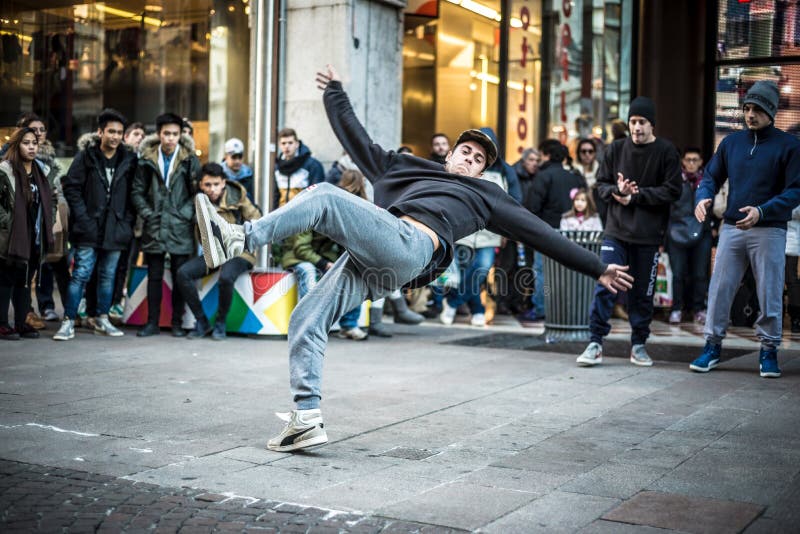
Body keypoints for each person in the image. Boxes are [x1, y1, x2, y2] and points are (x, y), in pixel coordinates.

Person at [193, 64, 632, 452]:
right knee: (307, 314)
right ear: (452, 151)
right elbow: (357, 138)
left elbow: (543, 234)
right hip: (378, 265)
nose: (470, 160)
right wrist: (335, 93)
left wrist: (597, 267)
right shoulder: (406, 167)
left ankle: (238, 236)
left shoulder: (488, 196)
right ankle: (306, 419)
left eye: (479, 159)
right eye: (467, 151)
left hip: (412, 246)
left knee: (324, 196)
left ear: (483, 170)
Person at [690, 80, 800, 378]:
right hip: (731, 229)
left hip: (770, 230)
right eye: (747, 108)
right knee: (720, 288)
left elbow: (795, 191)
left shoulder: (789, 146)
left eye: (757, 109)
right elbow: (710, 177)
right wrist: (703, 197)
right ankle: (712, 346)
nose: (750, 114)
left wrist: (762, 211)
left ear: (771, 111)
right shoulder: (730, 143)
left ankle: (768, 351)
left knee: (770, 291)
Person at [577, 96, 682, 368]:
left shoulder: (666, 151)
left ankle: (638, 344)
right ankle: (595, 342)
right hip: (616, 231)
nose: (636, 127)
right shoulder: (615, 149)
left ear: (652, 125)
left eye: (642, 122)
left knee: (642, 293)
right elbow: (600, 186)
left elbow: (673, 190)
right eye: (633, 122)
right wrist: (617, 192)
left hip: (648, 235)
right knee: (605, 285)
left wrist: (637, 197)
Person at [54, 109, 138, 341]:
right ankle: (68, 321)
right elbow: (71, 187)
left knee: (108, 276)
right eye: (111, 131)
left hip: (116, 228)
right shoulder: (86, 156)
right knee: (80, 274)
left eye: (120, 132)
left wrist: (126, 221)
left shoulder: (129, 159)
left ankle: (102, 318)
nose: (115, 136)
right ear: (100, 132)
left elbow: (134, 193)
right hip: (88, 228)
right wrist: (83, 217)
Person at [131, 112, 200, 337]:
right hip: (155, 224)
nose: (171, 138)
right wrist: (148, 214)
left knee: (180, 276)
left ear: (180, 135)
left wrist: (184, 214)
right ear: (159, 134)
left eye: (175, 134)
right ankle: (152, 323)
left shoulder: (190, 159)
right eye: (166, 134)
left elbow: (197, 193)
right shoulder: (147, 158)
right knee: (154, 276)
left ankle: (177, 323)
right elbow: (137, 191)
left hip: (180, 226)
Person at [280, 169, 370, 340]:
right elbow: (300, 247)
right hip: (298, 256)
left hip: (323, 257)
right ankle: (309, 326)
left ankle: (349, 326)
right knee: (308, 271)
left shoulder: (346, 211)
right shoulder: (314, 208)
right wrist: (324, 263)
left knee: (355, 271)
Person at [175, 163, 261, 340]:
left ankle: (220, 323)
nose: (212, 189)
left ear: (223, 182)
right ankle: (202, 322)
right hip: (214, 252)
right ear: (201, 185)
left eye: (216, 184)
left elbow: (256, 220)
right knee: (183, 273)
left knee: (226, 276)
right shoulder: (197, 201)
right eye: (207, 185)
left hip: (240, 251)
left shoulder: (237, 195)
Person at [522, 139, 587, 323]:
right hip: (573, 231)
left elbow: (532, 207)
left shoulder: (543, 176)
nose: (540, 159)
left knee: (542, 271)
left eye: (541, 155)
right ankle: (566, 310)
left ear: (548, 155)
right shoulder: (574, 176)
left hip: (546, 231)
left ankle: (541, 308)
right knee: (567, 273)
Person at [0, 127, 54, 340]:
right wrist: (7, 222)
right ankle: (3, 324)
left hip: (34, 234)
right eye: (26, 143)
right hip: (9, 236)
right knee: (5, 278)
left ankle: (22, 322)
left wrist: (51, 215)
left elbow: (52, 199)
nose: (31, 147)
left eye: (34, 143)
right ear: (16, 145)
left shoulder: (42, 171)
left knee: (24, 279)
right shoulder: (5, 169)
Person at [666, 147, 711, 325]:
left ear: (700, 162)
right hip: (676, 231)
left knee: (700, 273)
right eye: (688, 160)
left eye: (695, 160)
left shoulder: (707, 182)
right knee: (678, 274)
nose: (691, 163)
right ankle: (676, 308)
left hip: (702, 232)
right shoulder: (675, 181)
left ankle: (698, 309)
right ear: (683, 162)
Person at [273, 128, 325, 210]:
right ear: (279, 145)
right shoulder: (277, 167)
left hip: (304, 214)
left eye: (290, 143)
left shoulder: (312, 165)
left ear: (297, 144)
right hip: (282, 214)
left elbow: (316, 195)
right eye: (283, 143)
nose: (287, 146)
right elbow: (276, 196)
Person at [221, 138, 255, 203]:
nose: (237, 161)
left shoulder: (248, 174)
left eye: (240, 157)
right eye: (234, 157)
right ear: (226, 157)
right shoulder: (219, 174)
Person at [785, 205, 800, 334]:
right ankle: (776, 317)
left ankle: (795, 318)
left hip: (792, 241)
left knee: (791, 279)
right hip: (775, 239)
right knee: (775, 281)